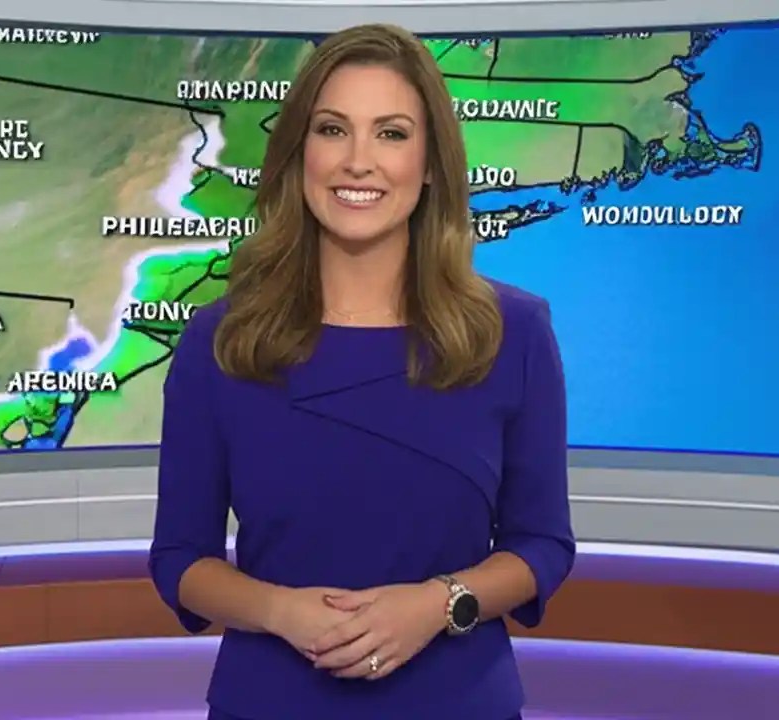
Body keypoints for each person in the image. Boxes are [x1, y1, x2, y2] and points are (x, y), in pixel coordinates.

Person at [149, 23, 575, 720]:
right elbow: (180, 560)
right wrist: (280, 611)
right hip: (271, 701)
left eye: (392, 133)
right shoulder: (220, 343)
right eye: (332, 129)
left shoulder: (512, 335)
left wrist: (438, 605)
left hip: (458, 701)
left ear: (432, 163)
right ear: (298, 155)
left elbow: (542, 546)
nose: (358, 161)